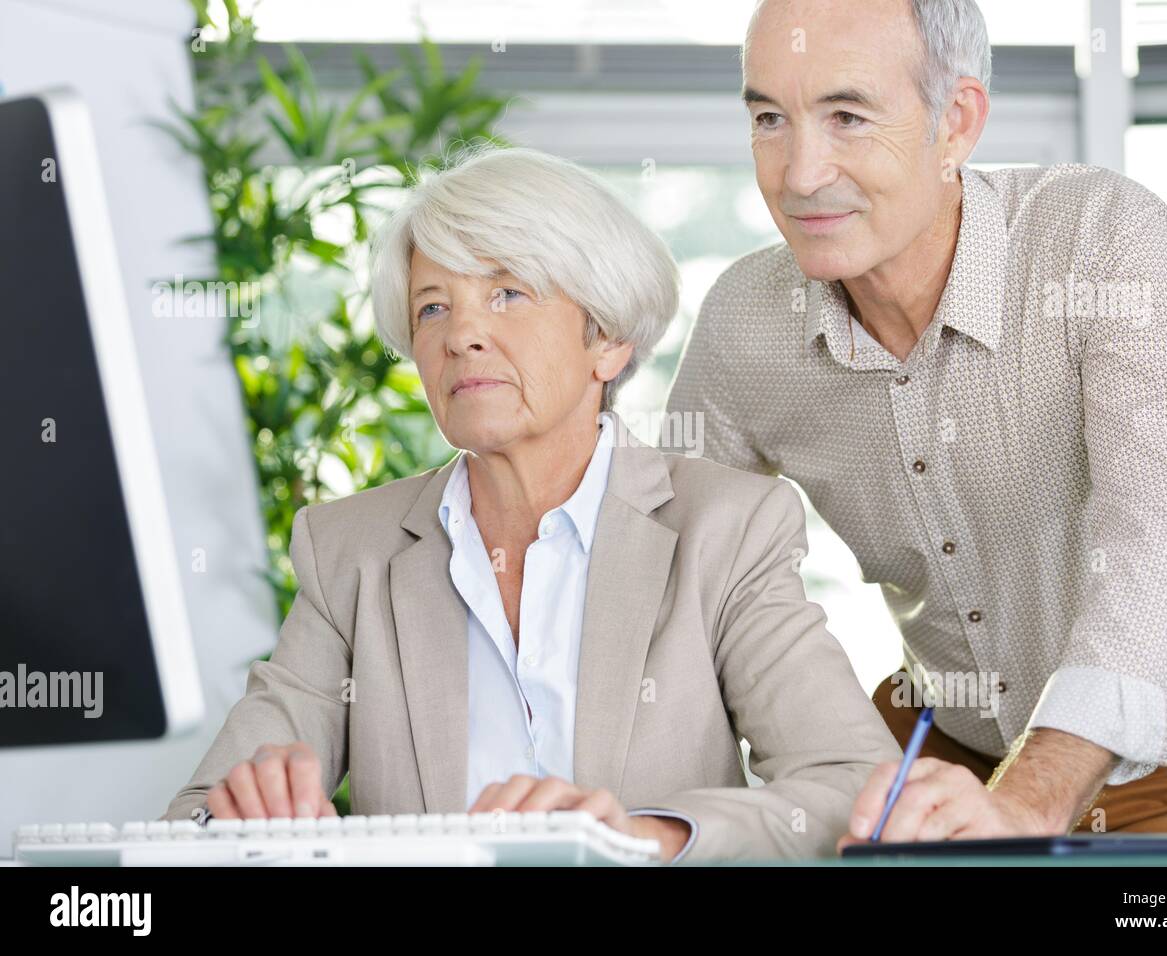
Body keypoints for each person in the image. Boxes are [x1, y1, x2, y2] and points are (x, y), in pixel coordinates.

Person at [162, 144, 902, 862]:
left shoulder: (724, 529)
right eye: (431, 309)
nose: (462, 336)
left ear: (607, 339)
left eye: (507, 294)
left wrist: (646, 838)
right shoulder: (349, 550)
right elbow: (196, 814)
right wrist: (243, 810)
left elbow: (852, 790)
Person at [665, 0, 1167, 843]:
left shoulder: (1097, 236)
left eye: (848, 116)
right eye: (770, 117)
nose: (800, 173)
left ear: (955, 122)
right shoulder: (744, 319)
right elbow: (675, 573)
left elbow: (1162, 521)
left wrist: (1027, 801)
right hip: (939, 736)